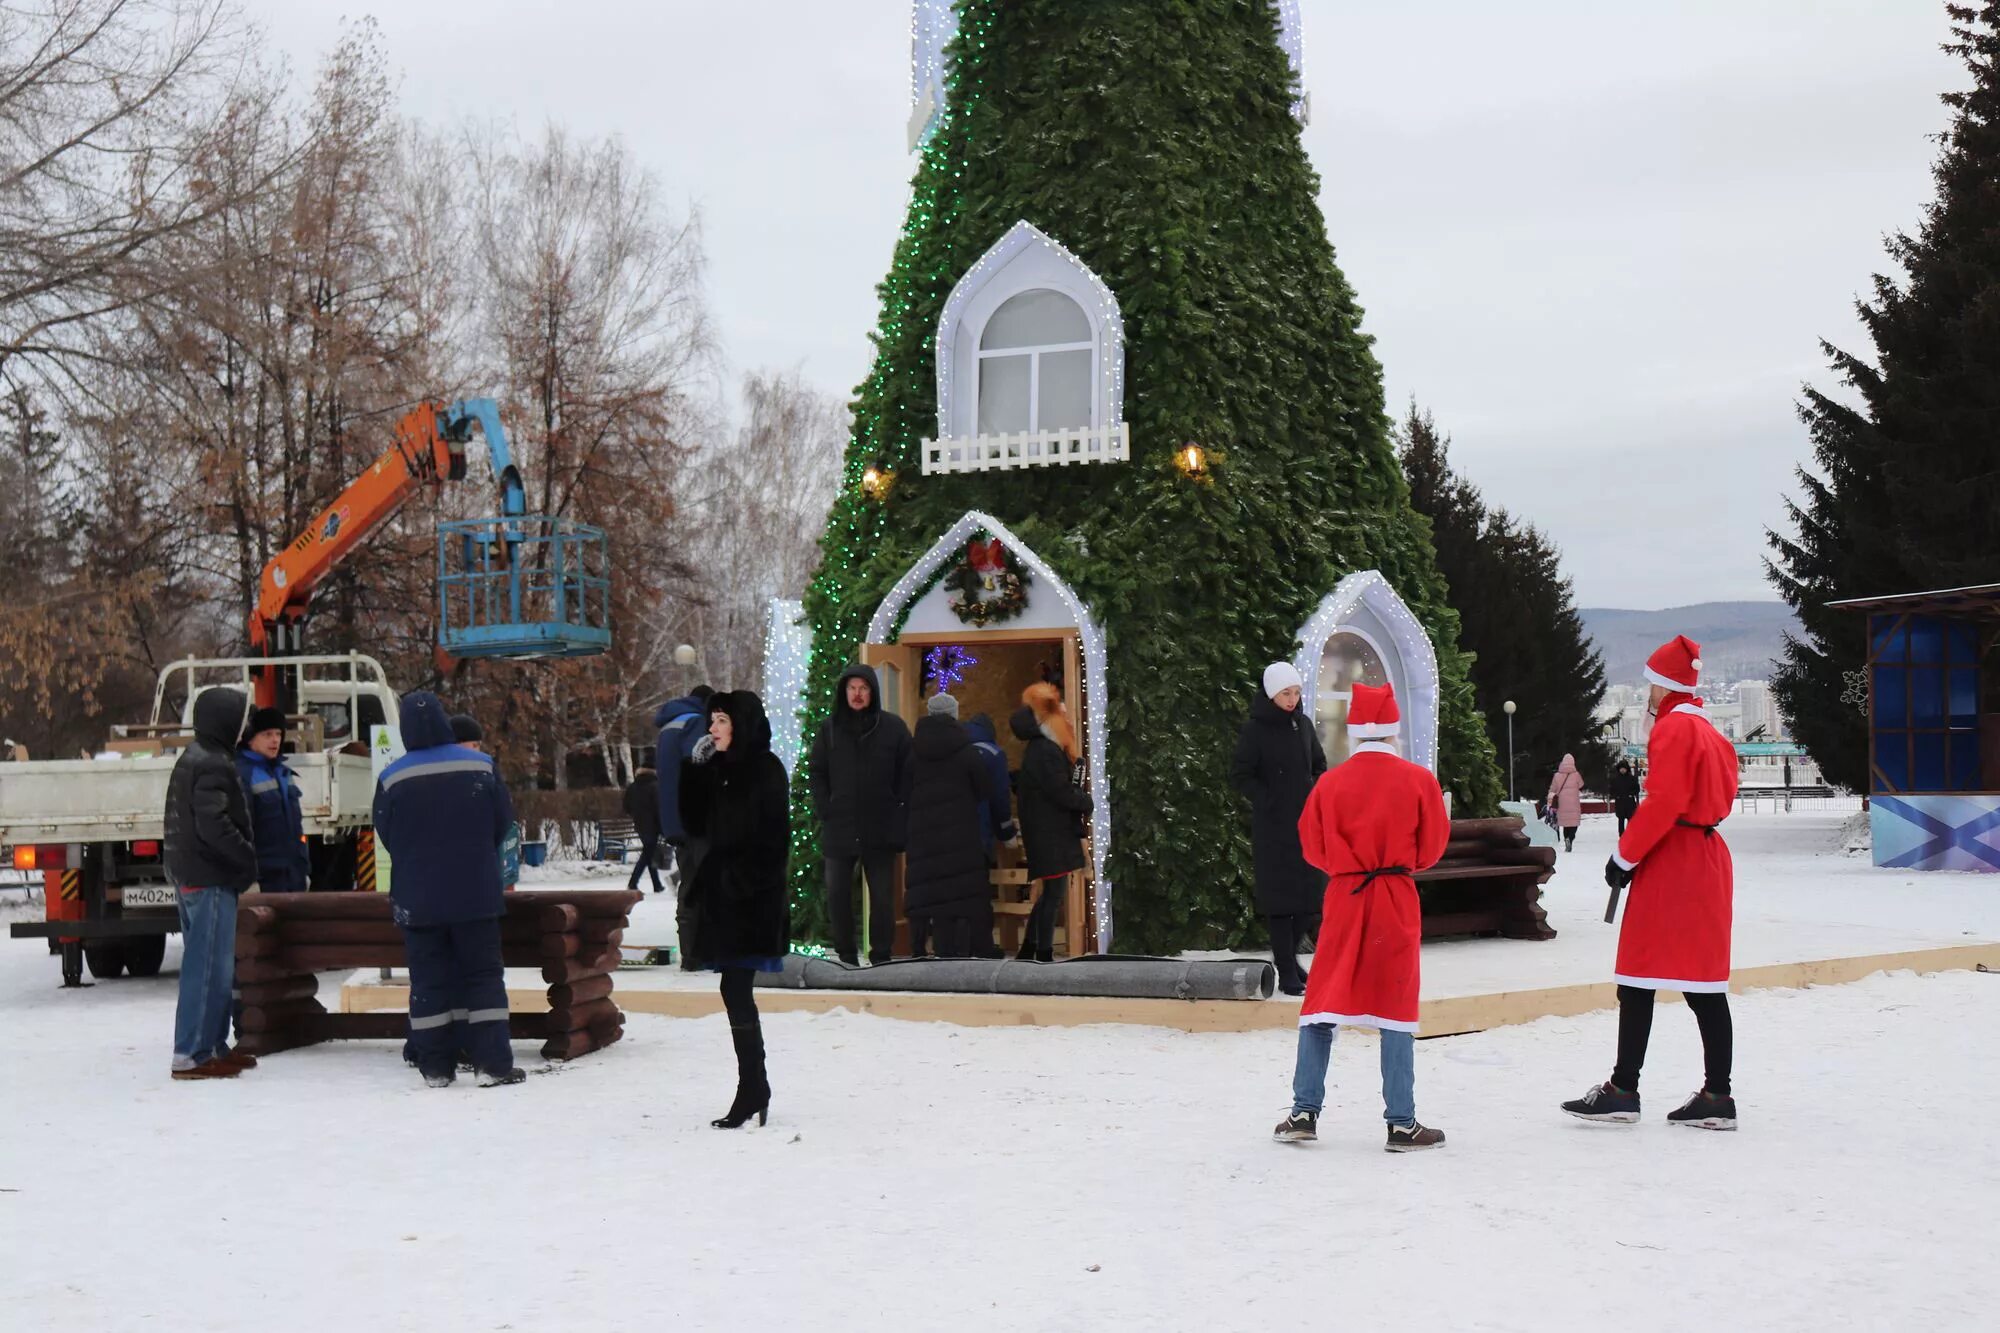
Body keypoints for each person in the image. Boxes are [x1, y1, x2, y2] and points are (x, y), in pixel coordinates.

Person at [1563, 636, 1740, 1130]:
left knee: (1638, 977)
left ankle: (1623, 1088)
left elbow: (1663, 802)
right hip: (1706, 857)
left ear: (1663, 688)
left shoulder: (1670, 730)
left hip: (1674, 863)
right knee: (1705, 983)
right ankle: (1717, 1093)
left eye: (1651, 686)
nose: (1648, 695)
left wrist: (1624, 856)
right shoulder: (1712, 732)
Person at [1273, 682, 1449, 1151]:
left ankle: (1303, 1112)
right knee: (1395, 1007)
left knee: (1322, 1004)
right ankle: (1401, 1122)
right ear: (1393, 731)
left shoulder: (1329, 783)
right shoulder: (1418, 781)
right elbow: (1432, 849)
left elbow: (1311, 845)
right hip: (1394, 897)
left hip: (1347, 897)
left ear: (1354, 732)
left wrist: (1344, 866)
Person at [374, 691, 524, 1089]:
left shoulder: (393, 776)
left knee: (428, 982)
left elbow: (386, 832)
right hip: (475, 893)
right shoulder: (480, 766)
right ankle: (492, 1064)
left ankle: (436, 1067)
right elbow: (501, 822)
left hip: (418, 900)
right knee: (483, 978)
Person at [678, 690, 790, 1128]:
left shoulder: (766, 770)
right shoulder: (720, 769)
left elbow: (774, 840)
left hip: (751, 901)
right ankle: (754, 1087)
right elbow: (692, 823)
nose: (712, 728)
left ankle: (752, 1089)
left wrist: (740, 882)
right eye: (712, 720)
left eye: (721, 720)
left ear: (740, 723)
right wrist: (696, 769)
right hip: (724, 900)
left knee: (736, 991)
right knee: (733, 992)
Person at [163, 687, 261, 1080]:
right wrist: (246, 858)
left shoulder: (195, 757)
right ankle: (192, 1054)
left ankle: (213, 1046)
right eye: (239, 720)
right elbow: (214, 824)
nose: (243, 729)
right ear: (224, 720)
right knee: (207, 969)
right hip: (209, 878)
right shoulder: (213, 763)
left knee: (214, 969)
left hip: (192, 875)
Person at [1231, 662, 1329, 996]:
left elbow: (1319, 763)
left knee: (1308, 898)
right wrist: (1268, 799)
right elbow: (1241, 774)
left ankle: (1291, 961)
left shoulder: (1302, 725)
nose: (1292, 698)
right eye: (1286, 693)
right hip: (1274, 828)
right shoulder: (1255, 730)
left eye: (1297, 692)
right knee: (1280, 901)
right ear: (1272, 694)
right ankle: (1286, 968)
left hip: (1307, 824)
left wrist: (1315, 790)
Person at [809, 664, 912, 965]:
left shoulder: (893, 728)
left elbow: (907, 771)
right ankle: (846, 955)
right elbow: (817, 772)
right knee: (837, 895)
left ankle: (881, 955)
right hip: (839, 826)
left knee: (882, 898)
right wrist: (826, 807)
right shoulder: (829, 729)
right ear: (844, 692)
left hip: (880, 827)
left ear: (872, 692)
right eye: (852, 688)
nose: (857, 694)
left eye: (863, 688)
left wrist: (898, 806)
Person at [904, 693, 996, 958]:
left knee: (926, 895)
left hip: (922, 839)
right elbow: (983, 790)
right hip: (960, 839)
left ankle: (918, 950)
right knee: (957, 899)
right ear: (955, 715)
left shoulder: (913, 752)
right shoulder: (967, 752)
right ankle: (954, 953)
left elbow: (902, 790)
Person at [1009, 682, 1091, 963]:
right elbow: (1059, 791)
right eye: (1062, 715)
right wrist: (1084, 801)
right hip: (1050, 832)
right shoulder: (1045, 751)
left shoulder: (1042, 749)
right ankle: (1042, 953)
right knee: (1052, 895)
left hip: (1047, 831)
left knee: (1049, 894)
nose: (1066, 720)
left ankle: (1029, 949)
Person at [235, 705, 309, 893]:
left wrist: (303, 869)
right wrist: (249, 880)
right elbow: (238, 832)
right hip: (264, 879)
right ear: (251, 738)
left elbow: (296, 828)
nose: (275, 740)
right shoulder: (243, 774)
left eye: (278, 734)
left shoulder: (283, 772)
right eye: (267, 734)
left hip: (292, 875)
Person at [653, 684, 715, 888]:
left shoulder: (670, 724)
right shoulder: (695, 722)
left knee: (689, 882)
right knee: (702, 885)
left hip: (673, 817)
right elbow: (698, 763)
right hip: (693, 815)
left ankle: (687, 919)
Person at [450, 713, 519, 889]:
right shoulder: (484, 768)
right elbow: (503, 816)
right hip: (480, 864)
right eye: (474, 744)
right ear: (459, 742)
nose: (477, 750)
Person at [963, 712, 1018, 855]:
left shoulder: (953, 751)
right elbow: (1000, 799)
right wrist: (1007, 833)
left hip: (949, 838)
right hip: (979, 835)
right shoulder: (994, 754)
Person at [623, 766, 665, 895]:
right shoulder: (655, 785)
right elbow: (659, 808)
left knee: (650, 853)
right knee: (647, 854)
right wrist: (662, 827)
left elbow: (626, 806)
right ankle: (633, 882)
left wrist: (636, 815)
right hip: (653, 825)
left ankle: (657, 884)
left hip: (640, 825)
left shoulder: (632, 787)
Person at [1546, 753, 1584, 852]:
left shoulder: (1557, 775)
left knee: (1565, 823)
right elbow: (1581, 785)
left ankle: (1566, 838)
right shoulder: (1576, 775)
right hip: (1574, 803)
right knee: (1574, 823)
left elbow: (1552, 789)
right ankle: (1570, 839)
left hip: (1561, 803)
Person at [1610, 760, 1641, 837]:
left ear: (1627, 769)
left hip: (1629, 802)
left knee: (1630, 819)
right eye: (1621, 768)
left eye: (1624, 768)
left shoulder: (1632, 778)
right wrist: (1616, 795)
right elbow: (1611, 789)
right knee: (1621, 819)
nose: (1622, 770)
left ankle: (1630, 834)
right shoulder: (1615, 779)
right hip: (1620, 801)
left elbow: (1636, 789)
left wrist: (1631, 794)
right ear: (1618, 769)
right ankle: (1622, 835)